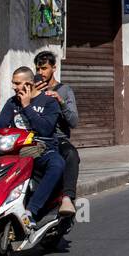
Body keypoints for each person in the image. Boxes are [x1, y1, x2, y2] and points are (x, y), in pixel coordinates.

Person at [0, 67, 64, 232]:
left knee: (57, 164)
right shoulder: (12, 102)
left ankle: (32, 210)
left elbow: (45, 129)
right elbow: (0, 125)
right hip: (14, 152)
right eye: (13, 83)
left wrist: (27, 106)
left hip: (41, 150)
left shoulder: (49, 102)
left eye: (18, 83)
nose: (14, 87)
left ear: (29, 84)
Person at [34, 50, 79, 218]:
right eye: (38, 69)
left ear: (53, 68)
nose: (41, 73)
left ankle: (67, 197)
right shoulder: (33, 89)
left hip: (57, 139)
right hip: (35, 139)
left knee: (71, 154)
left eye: (44, 68)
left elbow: (74, 121)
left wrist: (60, 101)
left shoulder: (65, 90)